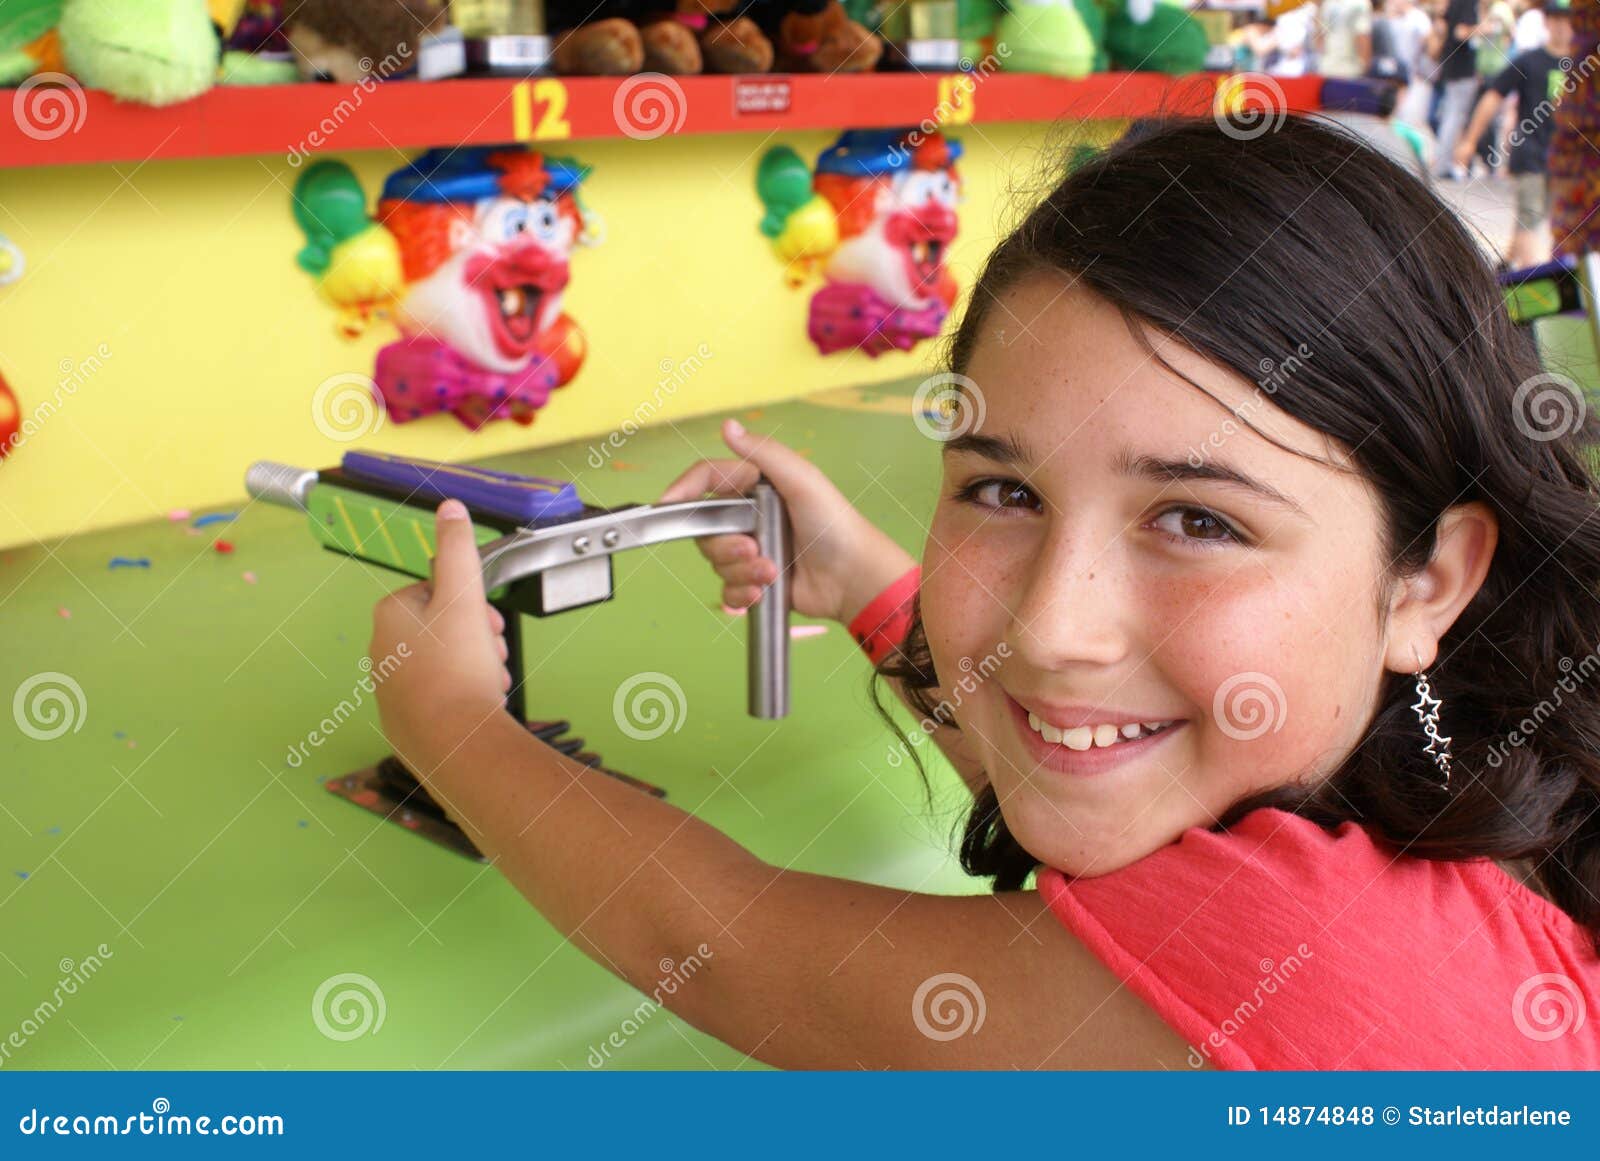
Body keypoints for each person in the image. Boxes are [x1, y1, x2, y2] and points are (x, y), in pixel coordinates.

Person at [369, 115, 1600, 1069]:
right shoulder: (1464, 776)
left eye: (1197, 520)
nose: (1051, 628)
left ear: (1425, 580)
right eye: (1004, 493)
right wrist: (859, 581)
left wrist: (453, 724)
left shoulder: (1323, 970)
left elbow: (725, 949)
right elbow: (1105, 748)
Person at [1453, 0, 1574, 266]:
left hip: (1570, 161)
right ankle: (1535, 279)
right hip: (1532, 153)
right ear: (1546, 22)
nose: (1562, 26)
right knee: (1530, 217)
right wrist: (1469, 141)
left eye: (1568, 19)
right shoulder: (1529, 61)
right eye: (1556, 18)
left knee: (1565, 224)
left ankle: (1507, 265)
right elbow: (1493, 98)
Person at [1435, 0, 1487, 176]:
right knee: (1454, 117)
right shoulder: (1468, 2)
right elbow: (1460, 32)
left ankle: (1446, 163)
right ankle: (1443, 165)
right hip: (1461, 69)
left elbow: (1442, 25)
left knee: (1452, 116)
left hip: (1453, 66)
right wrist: (1484, 29)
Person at [1317, 0, 1375, 76]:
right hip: (1350, 69)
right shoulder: (1361, 3)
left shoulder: (1327, 3)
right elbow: (1362, 36)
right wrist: (1365, 65)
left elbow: (1319, 38)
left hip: (1326, 67)